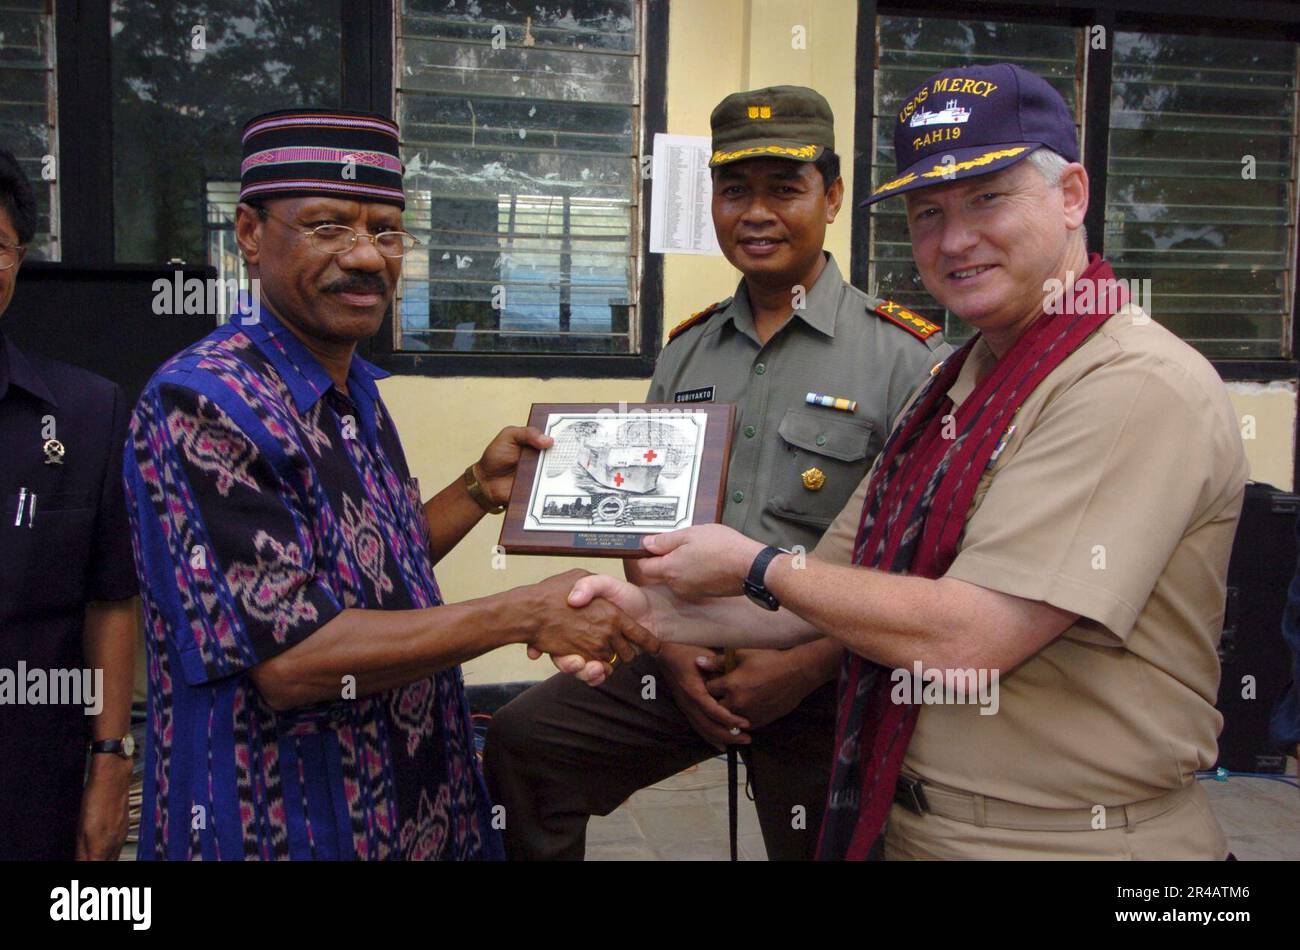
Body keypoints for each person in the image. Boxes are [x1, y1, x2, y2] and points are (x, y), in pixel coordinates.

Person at [568, 63, 1248, 861]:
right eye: (928, 212)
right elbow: (808, 595)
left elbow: (975, 635)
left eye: (989, 198)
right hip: (916, 820)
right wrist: (636, 614)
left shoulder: (1131, 382)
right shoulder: (954, 387)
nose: (955, 240)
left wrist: (757, 565)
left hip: (1073, 843)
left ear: (1071, 195)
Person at [122, 109, 656, 861]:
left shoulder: (350, 385)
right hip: (287, 823)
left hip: (414, 805)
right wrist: (522, 613)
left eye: (386, 230)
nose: (368, 257)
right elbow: (292, 658)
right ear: (249, 232)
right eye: (329, 226)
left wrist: (476, 488)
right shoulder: (205, 403)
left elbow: (374, 569)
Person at [484, 86, 948, 860]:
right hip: (684, 654)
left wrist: (799, 668)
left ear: (831, 197)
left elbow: (922, 561)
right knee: (527, 741)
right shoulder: (687, 351)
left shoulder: (907, 357)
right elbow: (644, 525)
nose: (756, 213)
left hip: (829, 669)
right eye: (734, 191)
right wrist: (670, 651)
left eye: (784, 189)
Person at [0, 146, 138, 860]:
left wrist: (111, 760)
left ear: (17, 260)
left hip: (32, 780)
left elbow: (110, 598)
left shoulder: (86, 412)